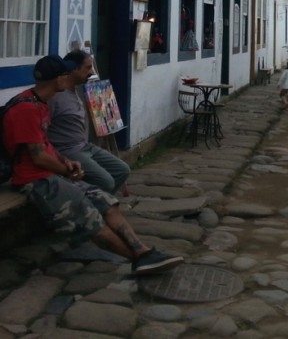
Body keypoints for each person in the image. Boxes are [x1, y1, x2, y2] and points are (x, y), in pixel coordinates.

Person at [2, 54, 183, 275]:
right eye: (65, 75)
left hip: (50, 172)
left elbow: (46, 145)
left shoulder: (39, 103)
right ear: (58, 79)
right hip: (35, 180)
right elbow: (38, 157)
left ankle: (142, 250)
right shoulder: (26, 109)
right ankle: (139, 258)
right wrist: (66, 169)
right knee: (89, 217)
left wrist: (64, 161)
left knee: (106, 201)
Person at [48, 50, 130, 194]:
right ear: (73, 69)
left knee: (122, 170)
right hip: (68, 150)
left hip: (85, 146)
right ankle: (87, 207)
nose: (92, 72)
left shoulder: (75, 91)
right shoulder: (55, 97)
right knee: (106, 181)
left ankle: (100, 205)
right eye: (87, 67)